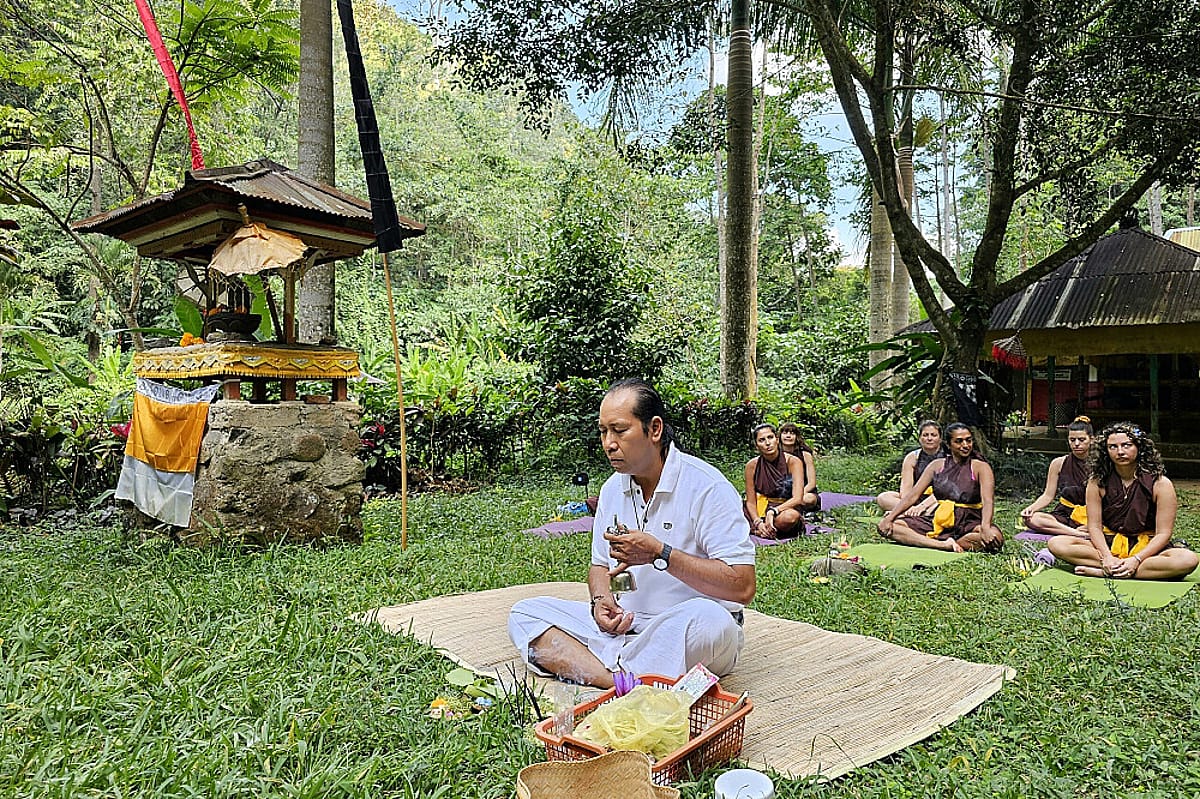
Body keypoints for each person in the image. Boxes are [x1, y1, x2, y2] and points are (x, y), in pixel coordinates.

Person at [508, 379, 756, 687]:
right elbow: (600, 566)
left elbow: (743, 586)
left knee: (711, 623)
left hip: (686, 630)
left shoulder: (707, 487)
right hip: (625, 627)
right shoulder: (613, 487)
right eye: (603, 431)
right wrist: (600, 602)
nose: (608, 443)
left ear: (654, 430)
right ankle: (617, 681)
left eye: (619, 430)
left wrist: (659, 554)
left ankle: (602, 667)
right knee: (526, 613)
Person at [1047, 422, 1199, 579]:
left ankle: (1107, 571)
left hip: (1146, 546)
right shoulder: (1097, 482)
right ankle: (1121, 568)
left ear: (1139, 447)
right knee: (1057, 544)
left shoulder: (1160, 484)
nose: (1120, 452)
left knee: (1188, 559)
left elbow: (1164, 533)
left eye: (1126, 445)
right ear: (1105, 451)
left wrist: (1136, 559)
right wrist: (1106, 556)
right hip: (1110, 542)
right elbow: (1094, 527)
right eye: (1113, 447)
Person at [876, 422, 1004, 552]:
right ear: (948, 444)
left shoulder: (980, 467)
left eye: (968, 440)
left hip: (969, 520)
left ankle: (948, 541)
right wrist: (890, 517)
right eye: (959, 441)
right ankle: (943, 545)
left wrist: (986, 527)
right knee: (892, 527)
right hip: (937, 518)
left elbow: (988, 500)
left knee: (996, 538)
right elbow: (912, 495)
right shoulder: (936, 465)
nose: (965, 445)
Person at [1019, 416, 1094, 536]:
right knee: (1033, 519)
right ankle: (1077, 534)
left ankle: (1085, 530)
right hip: (1065, 513)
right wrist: (1031, 509)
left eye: (1081, 439)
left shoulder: (1101, 464)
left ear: (1091, 439)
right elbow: (1048, 495)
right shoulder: (1058, 463)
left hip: (1093, 515)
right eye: (1072, 440)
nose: (1076, 444)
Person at [743, 423, 806, 539]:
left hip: (783, 508)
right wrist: (758, 521)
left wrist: (773, 511)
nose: (767, 443)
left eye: (770, 438)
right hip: (759, 508)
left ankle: (762, 532)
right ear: (756, 446)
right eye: (761, 440)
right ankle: (762, 530)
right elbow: (750, 502)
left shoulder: (793, 461)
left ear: (777, 440)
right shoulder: (751, 466)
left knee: (790, 517)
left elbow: (798, 498)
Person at [876, 420, 946, 515]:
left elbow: (946, 491)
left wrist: (922, 506)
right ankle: (915, 513)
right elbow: (906, 490)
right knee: (883, 497)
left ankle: (908, 513)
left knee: (945, 503)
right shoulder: (912, 457)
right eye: (925, 435)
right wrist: (911, 506)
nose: (929, 438)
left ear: (940, 438)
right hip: (915, 498)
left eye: (933, 435)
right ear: (919, 438)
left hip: (937, 499)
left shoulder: (948, 458)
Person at [776, 422, 820, 511]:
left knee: (808, 499)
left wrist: (797, 496)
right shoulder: (775, 454)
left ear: (797, 437)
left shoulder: (805, 454)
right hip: (782, 492)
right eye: (785, 433)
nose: (788, 436)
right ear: (780, 436)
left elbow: (812, 483)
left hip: (803, 492)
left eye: (792, 433)